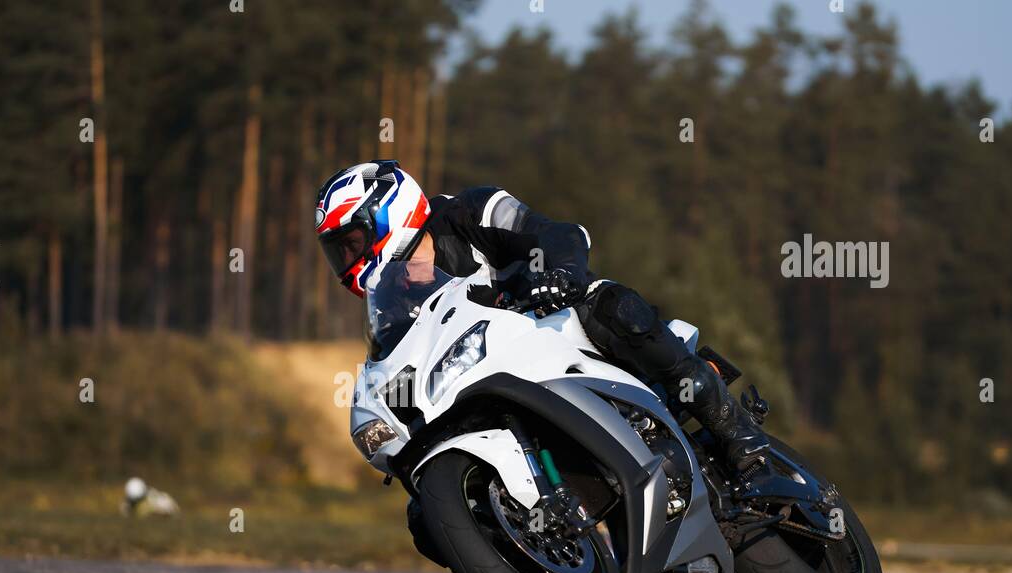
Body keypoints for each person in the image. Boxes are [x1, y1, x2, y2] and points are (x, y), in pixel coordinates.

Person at [315, 159, 770, 476]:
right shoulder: (392, 299)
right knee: (421, 520)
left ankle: (733, 429)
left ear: (387, 211)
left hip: (552, 323)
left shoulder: (471, 210)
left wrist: (560, 275)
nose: (346, 260)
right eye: (338, 252)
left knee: (612, 307)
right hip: (494, 382)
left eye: (350, 242)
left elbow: (555, 233)